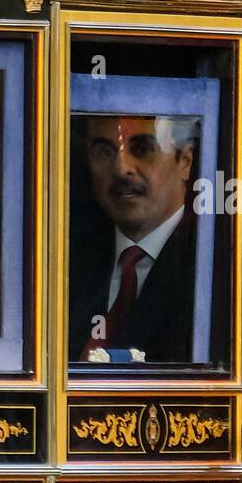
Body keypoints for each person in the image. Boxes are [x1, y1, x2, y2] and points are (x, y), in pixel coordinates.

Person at [67, 115, 199, 363]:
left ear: (185, 161)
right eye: (105, 152)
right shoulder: (63, 257)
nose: (121, 168)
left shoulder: (223, 268)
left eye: (142, 149)